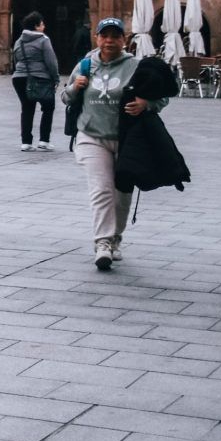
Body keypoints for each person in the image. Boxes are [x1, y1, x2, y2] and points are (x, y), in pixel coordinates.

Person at [70, 16, 170, 271]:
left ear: (124, 40)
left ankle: (116, 237)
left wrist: (146, 104)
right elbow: (65, 96)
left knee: (122, 194)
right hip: (91, 136)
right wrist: (74, 88)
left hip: (127, 140)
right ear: (97, 38)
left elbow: (161, 97)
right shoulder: (84, 65)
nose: (109, 41)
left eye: (115, 36)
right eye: (105, 35)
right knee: (102, 189)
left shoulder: (136, 66)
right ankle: (102, 242)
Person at [9, 11, 61, 151]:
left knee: (27, 108)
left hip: (19, 78)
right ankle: (44, 141)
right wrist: (56, 78)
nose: (44, 26)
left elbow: (16, 60)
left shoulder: (19, 41)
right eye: (42, 24)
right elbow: (51, 61)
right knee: (48, 108)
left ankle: (26, 143)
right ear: (36, 26)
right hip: (40, 78)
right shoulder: (43, 39)